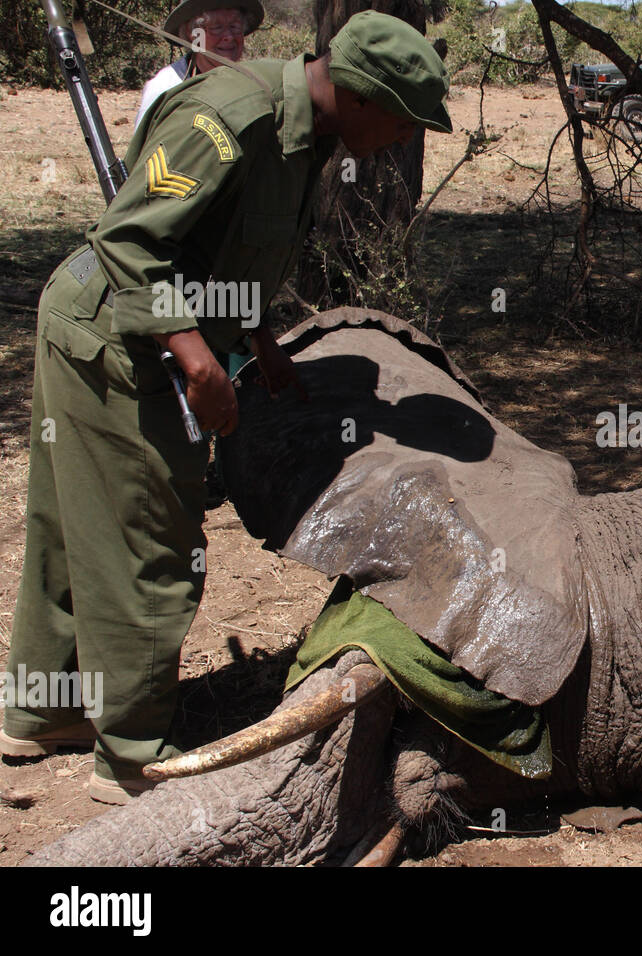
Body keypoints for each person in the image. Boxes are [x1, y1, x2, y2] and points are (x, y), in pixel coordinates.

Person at [0, 11, 453, 804]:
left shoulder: (307, 137)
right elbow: (133, 242)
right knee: (148, 538)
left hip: (131, 327)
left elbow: (225, 245)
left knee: (74, 527)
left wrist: (260, 340)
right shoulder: (228, 117)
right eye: (404, 124)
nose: (401, 142)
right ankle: (136, 751)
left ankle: (46, 708)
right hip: (114, 337)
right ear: (361, 97)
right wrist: (200, 360)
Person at [135, 0, 265, 129]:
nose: (229, 36)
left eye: (234, 26)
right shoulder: (165, 88)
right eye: (216, 28)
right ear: (192, 34)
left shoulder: (252, 85)